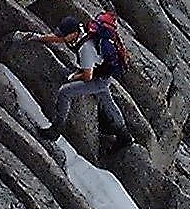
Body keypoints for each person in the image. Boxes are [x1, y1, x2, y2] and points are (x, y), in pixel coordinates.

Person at [15, 15, 126, 144]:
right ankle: (124, 136)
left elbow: (87, 76)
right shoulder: (81, 32)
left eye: (65, 35)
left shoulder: (86, 48)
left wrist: (73, 77)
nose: (62, 37)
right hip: (101, 73)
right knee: (107, 101)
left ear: (73, 34)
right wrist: (38, 38)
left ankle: (56, 130)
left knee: (64, 92)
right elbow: (59, 38)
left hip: (98, 78)